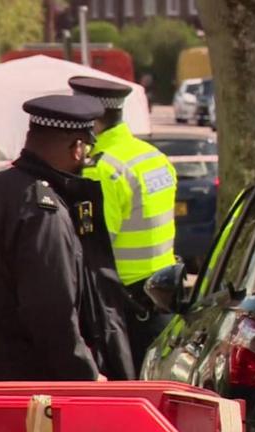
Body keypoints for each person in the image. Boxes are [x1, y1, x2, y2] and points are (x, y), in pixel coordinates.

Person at [0, 95, 135, 382]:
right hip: (21, 386)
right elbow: (51, 311)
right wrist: (86, 376)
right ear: (77, 148)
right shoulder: (44, 212)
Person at [69, 76, 178, 373]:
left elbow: (91, 247)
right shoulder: (152, 156)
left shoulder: (102, 169)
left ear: (91, 118)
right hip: (162, 299)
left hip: (124, 309)